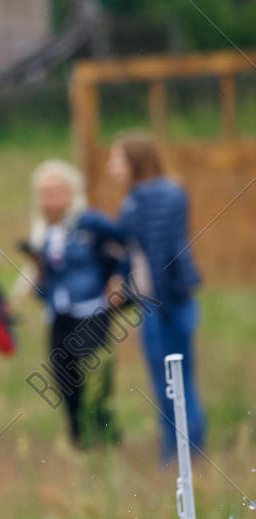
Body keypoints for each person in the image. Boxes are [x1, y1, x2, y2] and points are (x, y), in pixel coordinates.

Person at [107, 132, 206, 461]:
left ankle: (181, 457)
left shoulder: (149, 197)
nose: (111, 166)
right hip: (167, 301)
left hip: (165, 303)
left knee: (173, 384)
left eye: (117, 159)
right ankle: (179, 454)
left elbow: (162, 253)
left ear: (135, 161)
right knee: (176, 381)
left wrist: (159, 305)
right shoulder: (157, 193)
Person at [25, 159, 128, 448]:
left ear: (72, 192)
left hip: (91, 311)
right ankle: (79, 441)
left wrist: (118, 279)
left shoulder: (91, 222)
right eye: (45, 192)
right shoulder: (43, 231)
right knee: (64, 378)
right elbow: (47, 274)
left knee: (95, 380)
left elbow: (126, 247)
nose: (50, 197)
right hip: (58, 314)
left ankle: (105, 439)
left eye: (56, 190)